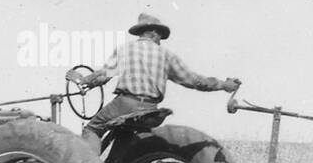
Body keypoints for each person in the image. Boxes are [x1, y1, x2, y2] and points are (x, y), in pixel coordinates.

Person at [66, 13, 241, 152]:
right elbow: (195, 81)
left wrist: (84, 81)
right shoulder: (166, 55)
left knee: (93, 129)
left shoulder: (126, 50)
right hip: (151, 110)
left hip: (125, 104)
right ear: (153, 32)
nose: (160, 39)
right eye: (160, 35)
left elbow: (102, 76)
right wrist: (223, 85)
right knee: (125, 136)